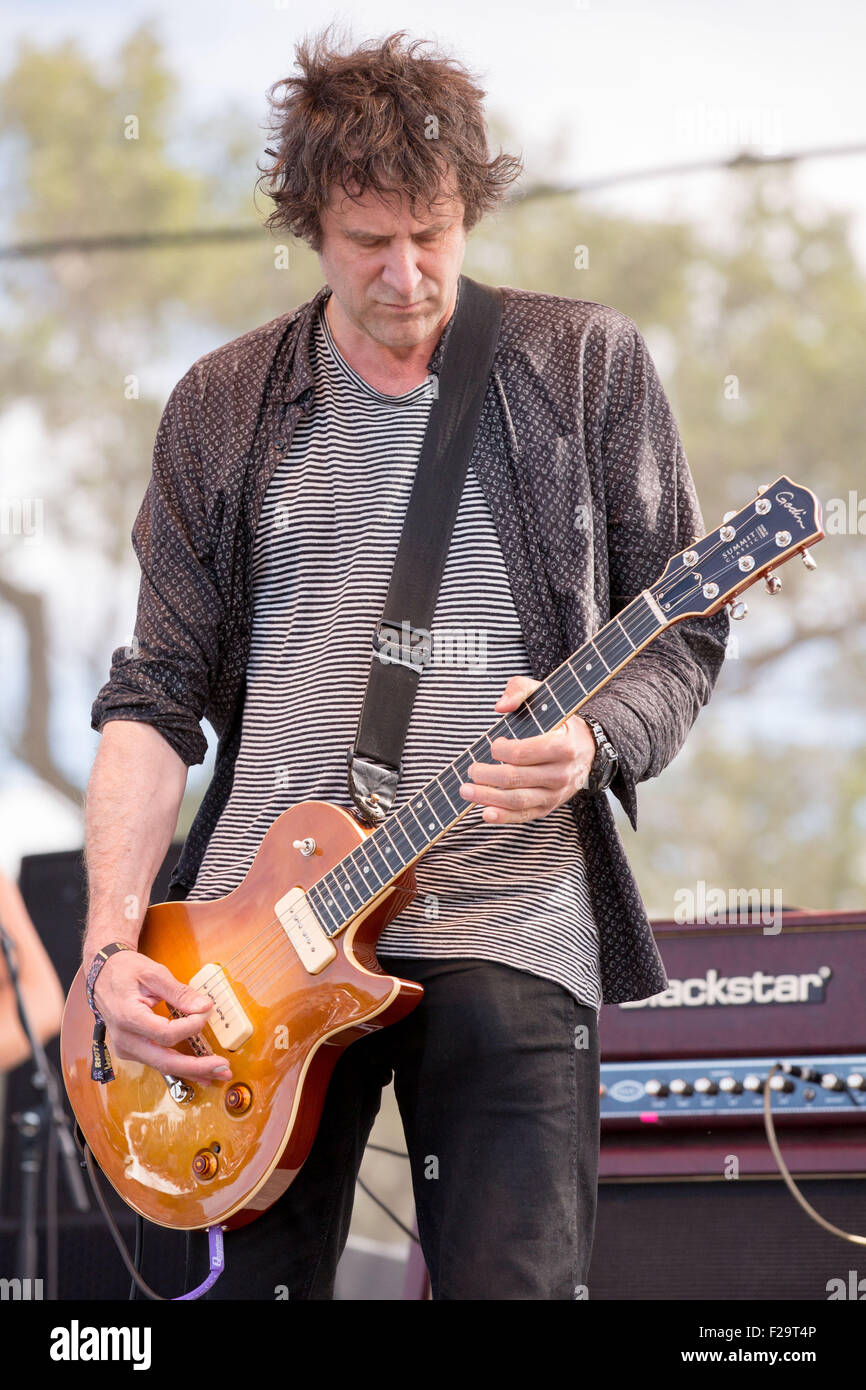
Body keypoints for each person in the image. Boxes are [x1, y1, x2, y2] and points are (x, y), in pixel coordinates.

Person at [82, 28, 728, 1300]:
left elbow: (682, 625)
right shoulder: (222, 405)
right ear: (309, 226)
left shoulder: (579, 364)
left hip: (508, 913)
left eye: (432, 232)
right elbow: (153, 700)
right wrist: (107, 951)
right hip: (245, 958)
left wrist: (593, 741)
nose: (405, 272)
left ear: (471, 207)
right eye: (368, 240)